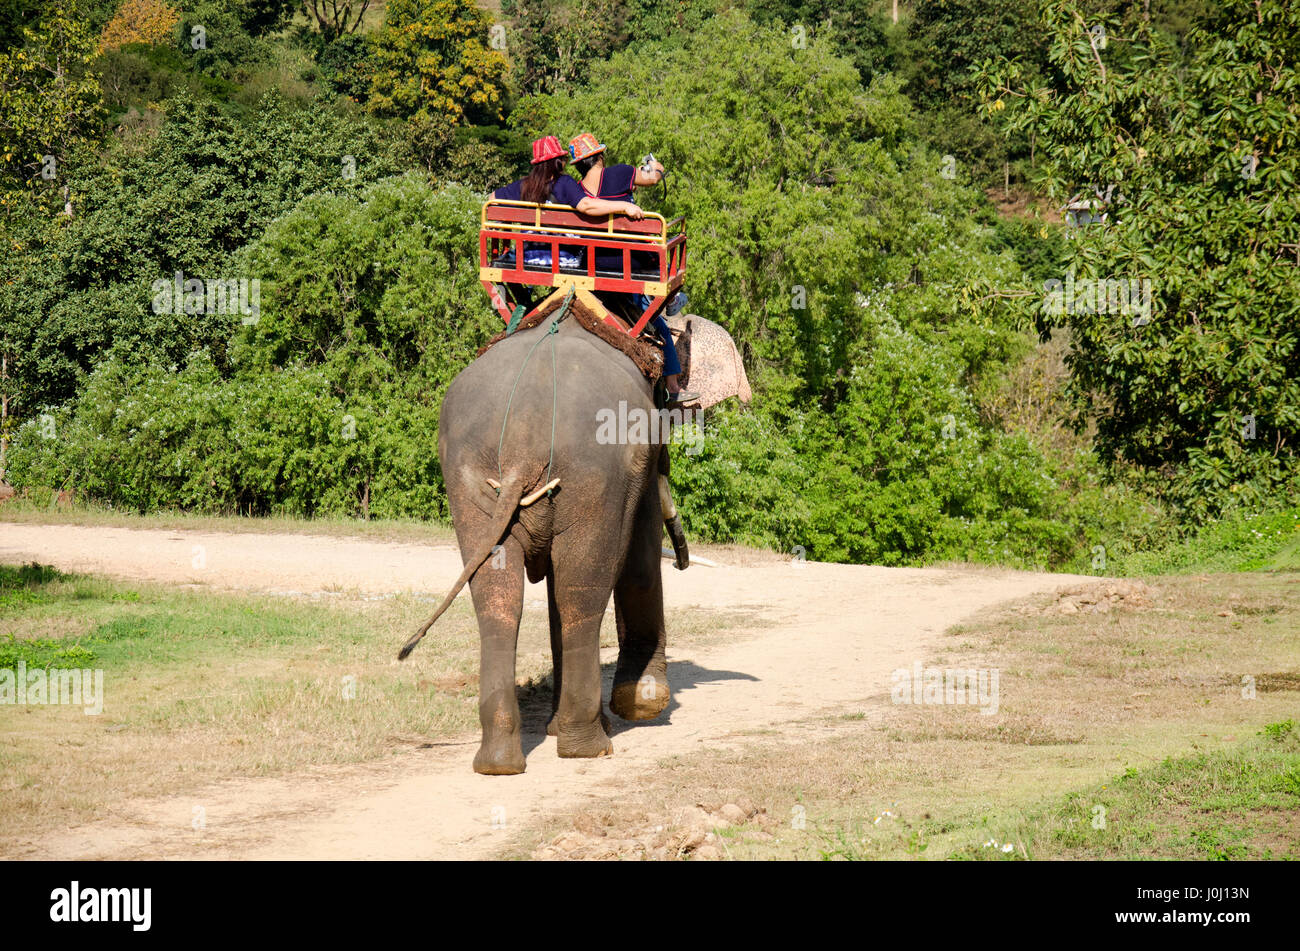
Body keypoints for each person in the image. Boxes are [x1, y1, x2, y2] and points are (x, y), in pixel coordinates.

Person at [569, 133, 696, 405]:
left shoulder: (577, 190)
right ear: (600, 156)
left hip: (592, 262)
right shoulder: (621, 173)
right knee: (659, 324)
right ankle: (674, 386)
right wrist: (655, 165)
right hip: (626, 264)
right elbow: (653, 177)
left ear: (579, 165)